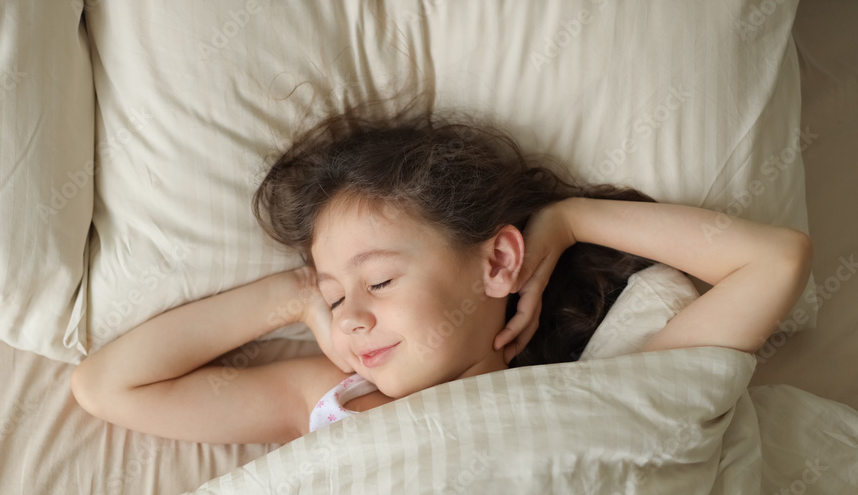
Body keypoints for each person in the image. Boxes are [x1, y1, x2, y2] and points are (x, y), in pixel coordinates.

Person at [70, 107, 812, 445]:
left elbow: (775, 259)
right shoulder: (330, 403)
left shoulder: (602, 389)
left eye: (380, 282)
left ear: (496, 263)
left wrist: (573, 218)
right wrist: (293, 296)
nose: (351, 316)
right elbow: (107, 385)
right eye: (335, 294)